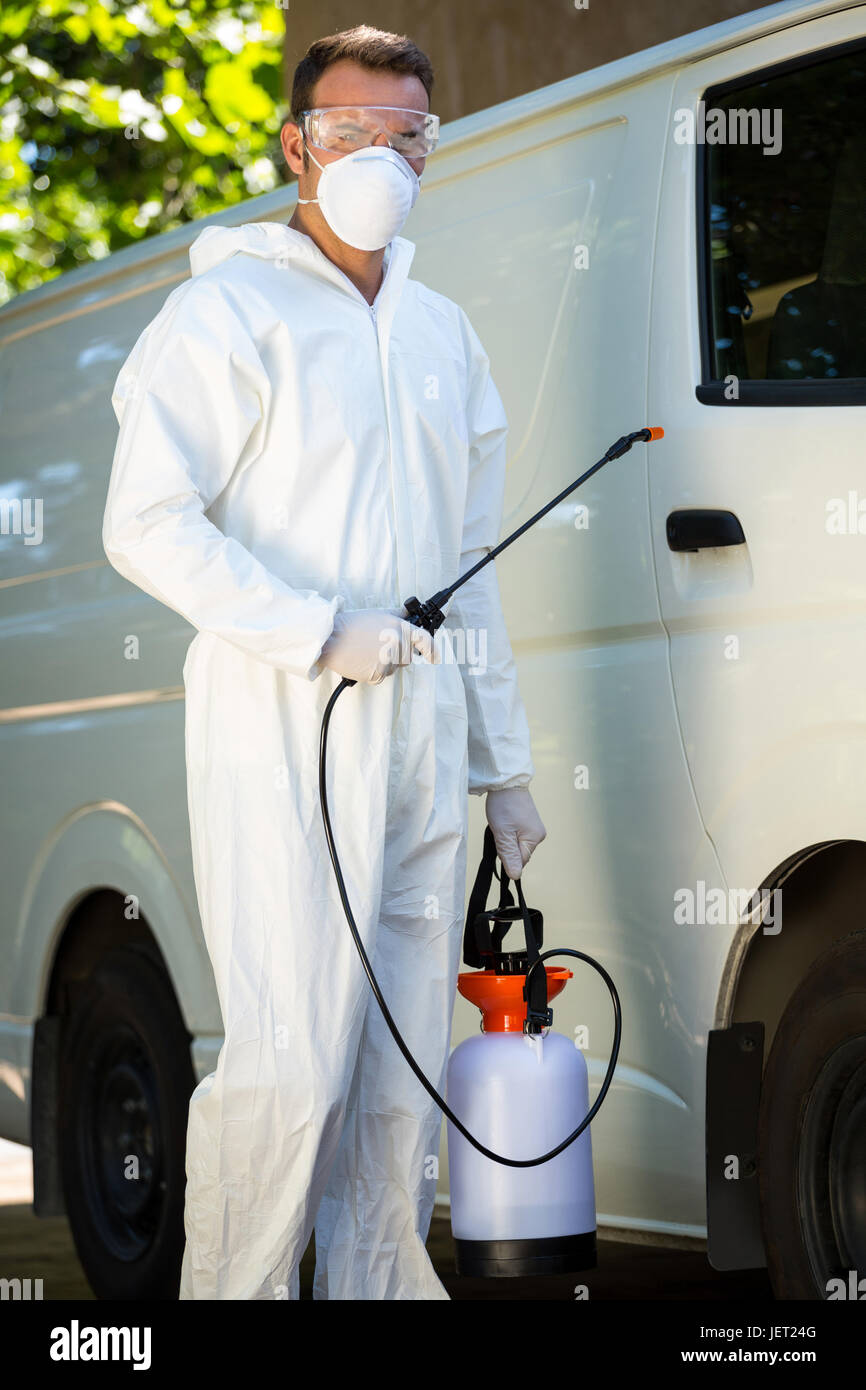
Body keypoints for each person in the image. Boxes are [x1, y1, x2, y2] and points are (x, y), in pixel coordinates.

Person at [102, 23, 546, 1301]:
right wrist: (311, 630)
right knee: (293, 1061)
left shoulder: (441, 334)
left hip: (418, 743)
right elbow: (144, 523)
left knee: (400, 1063)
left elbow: (473, 565)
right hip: (281, 726)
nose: (381, 156)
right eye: (352, 131)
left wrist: (501, 768)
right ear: (298, 145)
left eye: (407, 134)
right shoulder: (225, 310)